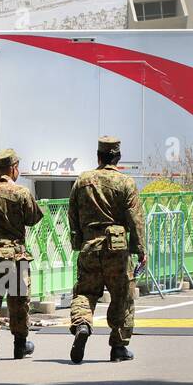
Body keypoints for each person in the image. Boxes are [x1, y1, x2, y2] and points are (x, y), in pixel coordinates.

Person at [67, 136, 146, 363]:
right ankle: (118, 347)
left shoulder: (83, 181)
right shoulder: (125, 183)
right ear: (118, 157)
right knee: (123, 296)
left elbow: (72, 214)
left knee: (85, 292)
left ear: (98, 156)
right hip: (117, 250)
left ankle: (82, 324)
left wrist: (78, 242)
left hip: (90, 246)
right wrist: (140, 248)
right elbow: (135, 219)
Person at [0, 148, 43, 362]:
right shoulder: (21, 192)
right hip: (16, 255)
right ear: (13, 168)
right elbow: (33, 218)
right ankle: (20, 345)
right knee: (19, 301)